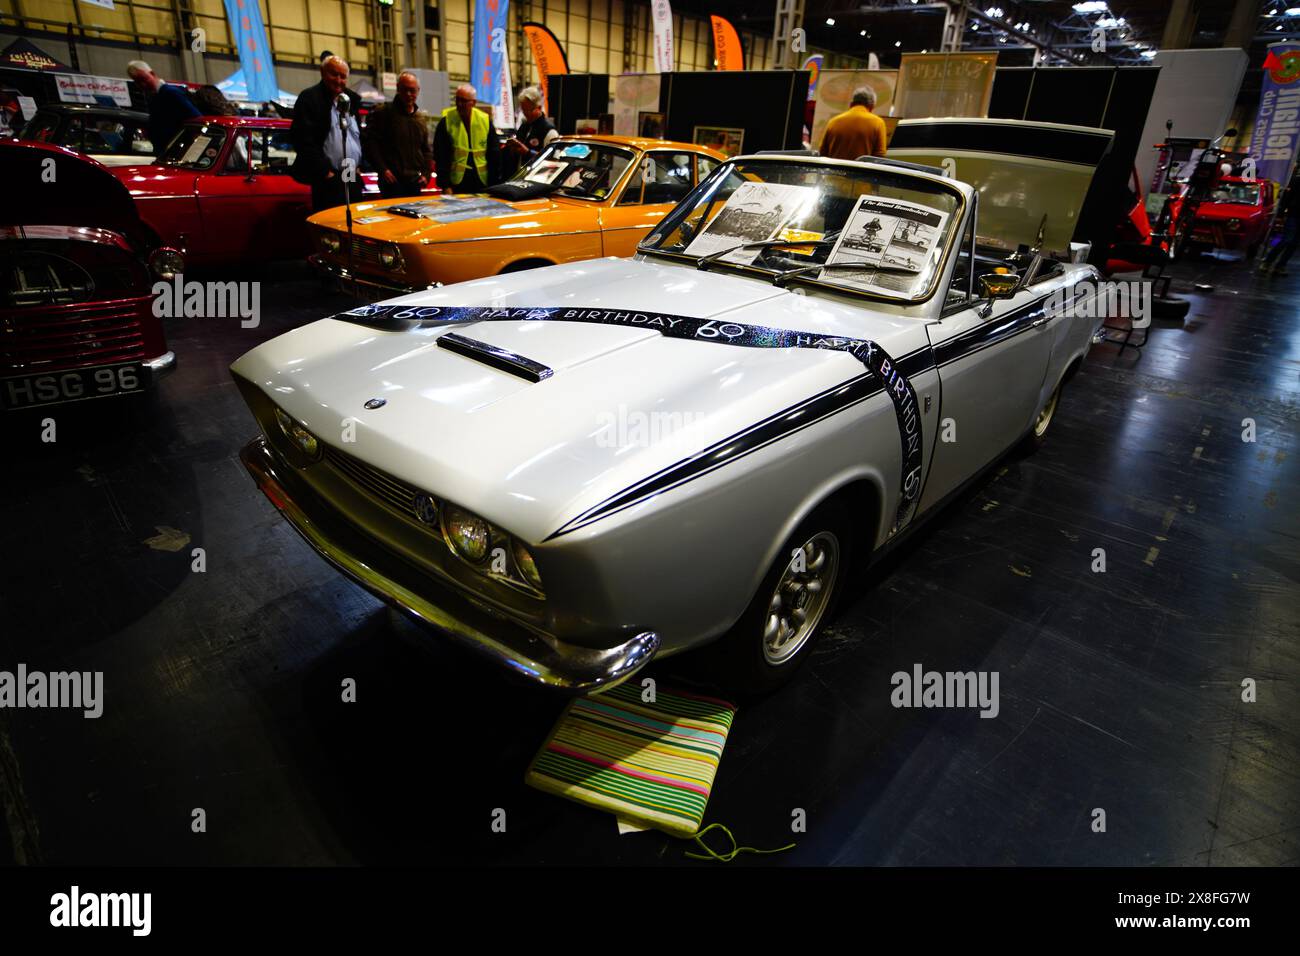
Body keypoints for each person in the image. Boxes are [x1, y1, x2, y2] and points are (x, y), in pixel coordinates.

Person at [289, 55, 364, 212]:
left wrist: (359, 167)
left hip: (351, 171)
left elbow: (357, 136)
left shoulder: (351, 100)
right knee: (331, 226)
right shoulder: (309, 98)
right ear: (323, 72)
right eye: (334, 74)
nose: (338, 80)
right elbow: (302, 139)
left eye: (343, 76)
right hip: (328, 176)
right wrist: (325, 172)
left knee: (353, 221)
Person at [362, 71, 431, 199]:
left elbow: (426, 150)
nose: (409, 94)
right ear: (398, 88)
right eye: (405, 90)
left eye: (412, 90)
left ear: (418, 90)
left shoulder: (420, 119)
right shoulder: (383, 113)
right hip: (392, 182)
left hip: (414, 181)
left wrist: (426, 174)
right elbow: (370, 144)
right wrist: (383, 170)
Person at [433, 83, 501, 194]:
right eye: (457, 100)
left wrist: (494, 185)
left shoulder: (485, 121)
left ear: (473, 103)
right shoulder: (446, 122)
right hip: (456, 184)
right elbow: (441, 157)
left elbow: (494, 155)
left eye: (463, 101)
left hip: (482, 183)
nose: (459, 104)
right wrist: (445, 185)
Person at [126, 60, 200, 156]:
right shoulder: (154, 97)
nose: (142, 84)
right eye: (138, 82)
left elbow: (196, 118)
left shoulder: (170, 93)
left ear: (152, 73)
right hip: (166, 152)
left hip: (176, 153)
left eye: (144, 79)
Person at [819, 86, 887, 161]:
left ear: (851, 103)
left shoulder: (833, 121)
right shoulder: (878, 123)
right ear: (871, 106)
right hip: (861, 171)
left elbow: (823, 152)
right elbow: (880, 155)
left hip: (835, 171)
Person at [505, 86, 558, 165]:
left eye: (529, 110)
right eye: (524, 110)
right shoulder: (524, 126)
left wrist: (528, 153)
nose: (526, 114)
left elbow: (552, 160)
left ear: (539, 108)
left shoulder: (550, 131)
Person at [1259, 178, 1299, 276]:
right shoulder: (1297, 181)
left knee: (1294, 243)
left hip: (1294, 214)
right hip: (1294, 214)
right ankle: (1268, 262)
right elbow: (1287, 197)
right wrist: (1281, 214)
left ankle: (1280, 265)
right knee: (1287, 239)